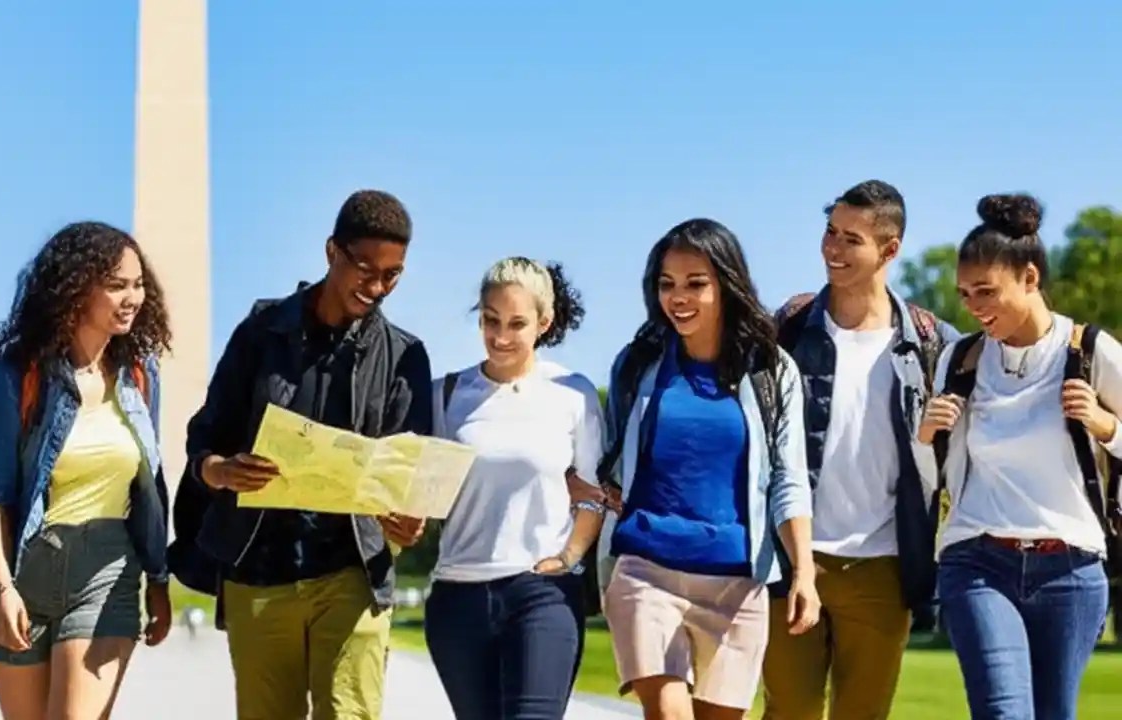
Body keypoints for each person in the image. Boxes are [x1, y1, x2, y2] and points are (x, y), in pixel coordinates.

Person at [177, 189, 432, 720]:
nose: (379, 287)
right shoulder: (260, 334)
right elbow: (204, 436)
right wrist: (219, 471)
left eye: (393, 275)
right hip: (259, 570)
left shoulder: (406, 356)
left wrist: (407, 519)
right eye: (366, 269)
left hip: (352, 571)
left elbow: (411, 470)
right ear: (331, 252)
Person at [596, 218, 820, 720]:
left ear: (726, 284)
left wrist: (803, 571)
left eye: (696, 283)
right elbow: (612, 464)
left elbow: (788, 477)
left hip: (736, 583)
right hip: (646, 570)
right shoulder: (638, 364)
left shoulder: (770, 369)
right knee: (672, 712)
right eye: (667, 284)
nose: (679, 297)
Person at [763, 180, 959, 719]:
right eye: (830, 232)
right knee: (791, 709)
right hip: (790, 556)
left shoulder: (931, 342)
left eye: (851, 239)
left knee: (863, 713)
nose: (832, 248)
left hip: (883, 566)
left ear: (889, 250)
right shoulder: (791, 327)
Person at [919, 193, 1115, 720]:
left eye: (987, 291)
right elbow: (937, 478)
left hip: (1070, 570)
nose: (974, 307)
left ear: (1030, 278)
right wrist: (926, 437)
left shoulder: (1091, 352)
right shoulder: (962, 359)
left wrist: (1105, 426)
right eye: (965, 295)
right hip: (978, 561)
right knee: (1004, 713)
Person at [0, 221, 173, 719]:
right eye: (117, 284)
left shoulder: (142, 378)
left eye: (138, 283)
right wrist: (0, 588)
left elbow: (150, 488)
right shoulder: (18, 374)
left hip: (107, 569)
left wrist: (160, 581)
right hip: (24, 570)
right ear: (76, 288)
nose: (133, 297)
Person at [424, 257, 607, 720]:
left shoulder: (572, 393)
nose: (501, 336)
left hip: (542, 593)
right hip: (458, 595)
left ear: (544, 323)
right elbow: (422, 493)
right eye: (490, 320)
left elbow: (594, 493)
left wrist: (569, 557)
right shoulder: (444, 396)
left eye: (517, 323)